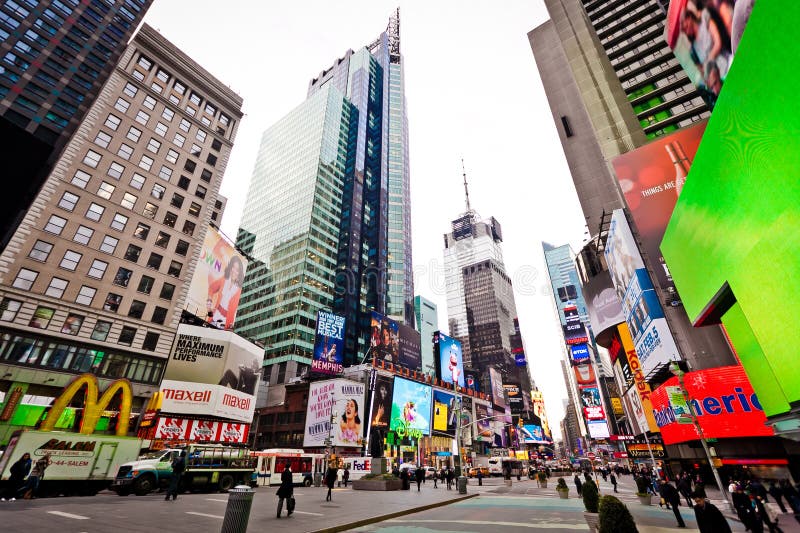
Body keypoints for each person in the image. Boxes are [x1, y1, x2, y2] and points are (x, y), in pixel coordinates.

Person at [207, 255, 244, 329]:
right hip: (213, 319)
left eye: (237, 270)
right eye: (233, 267)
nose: (234, 271)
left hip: (225, 325)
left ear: (240, 273)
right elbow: (211, 288)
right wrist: (209, 306)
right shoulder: (224, 280)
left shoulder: (239, 290)